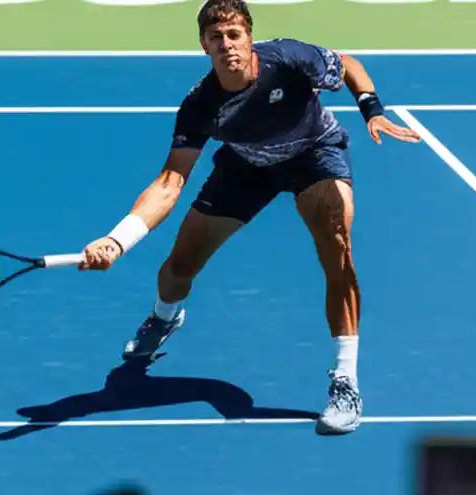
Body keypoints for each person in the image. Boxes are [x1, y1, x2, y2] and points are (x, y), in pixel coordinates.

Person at [76, 0, 420, 435]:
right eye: (216, 38)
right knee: (179, 266)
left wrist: (372, 109)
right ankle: (164, 317)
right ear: (203, 45)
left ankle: (345, 380)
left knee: (337, 248)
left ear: (249, 37)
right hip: (245, 167)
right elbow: (169, 182)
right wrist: (117, 240)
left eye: (234, 35)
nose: (226, 45)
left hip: (315, 156)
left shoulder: (289, 59)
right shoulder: (202, 104)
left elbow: (347, 64)